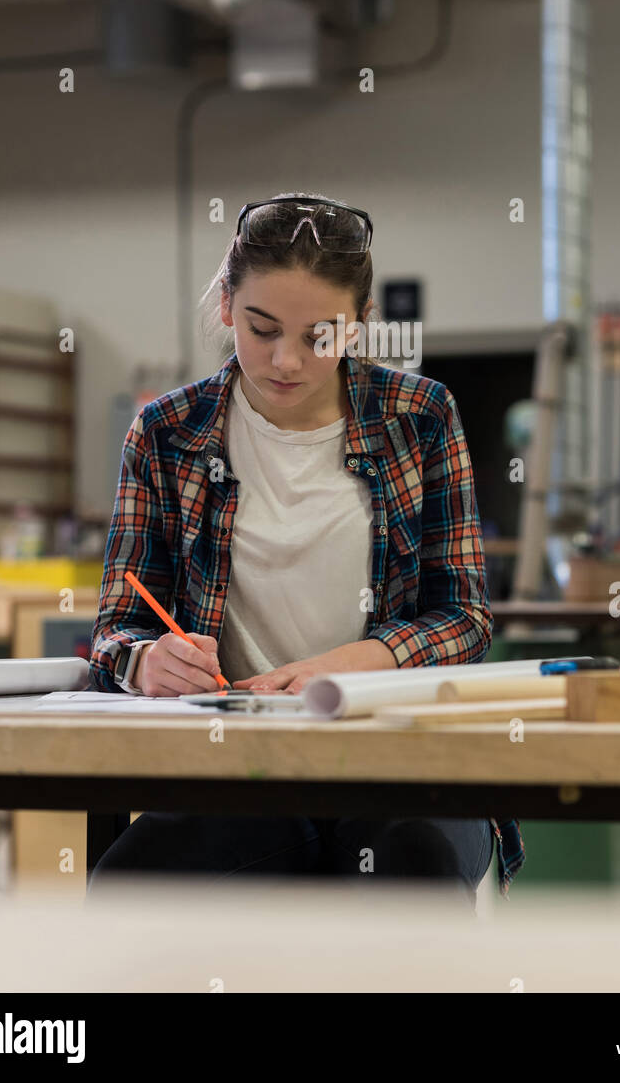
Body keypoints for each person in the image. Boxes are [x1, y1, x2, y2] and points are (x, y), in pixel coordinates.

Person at [87, 192, 524, 906]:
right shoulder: (166, 432)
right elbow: (115, 629)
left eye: (319, 336)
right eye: (262, 329)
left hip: (400, 758)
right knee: (127, 890)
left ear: (360, 324)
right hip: (240, 769)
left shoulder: (419, 417)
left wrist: (353, 665)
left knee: (402, 872)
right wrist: (143, 661)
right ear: (227, 304)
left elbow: (465, 620)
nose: (286, 360)